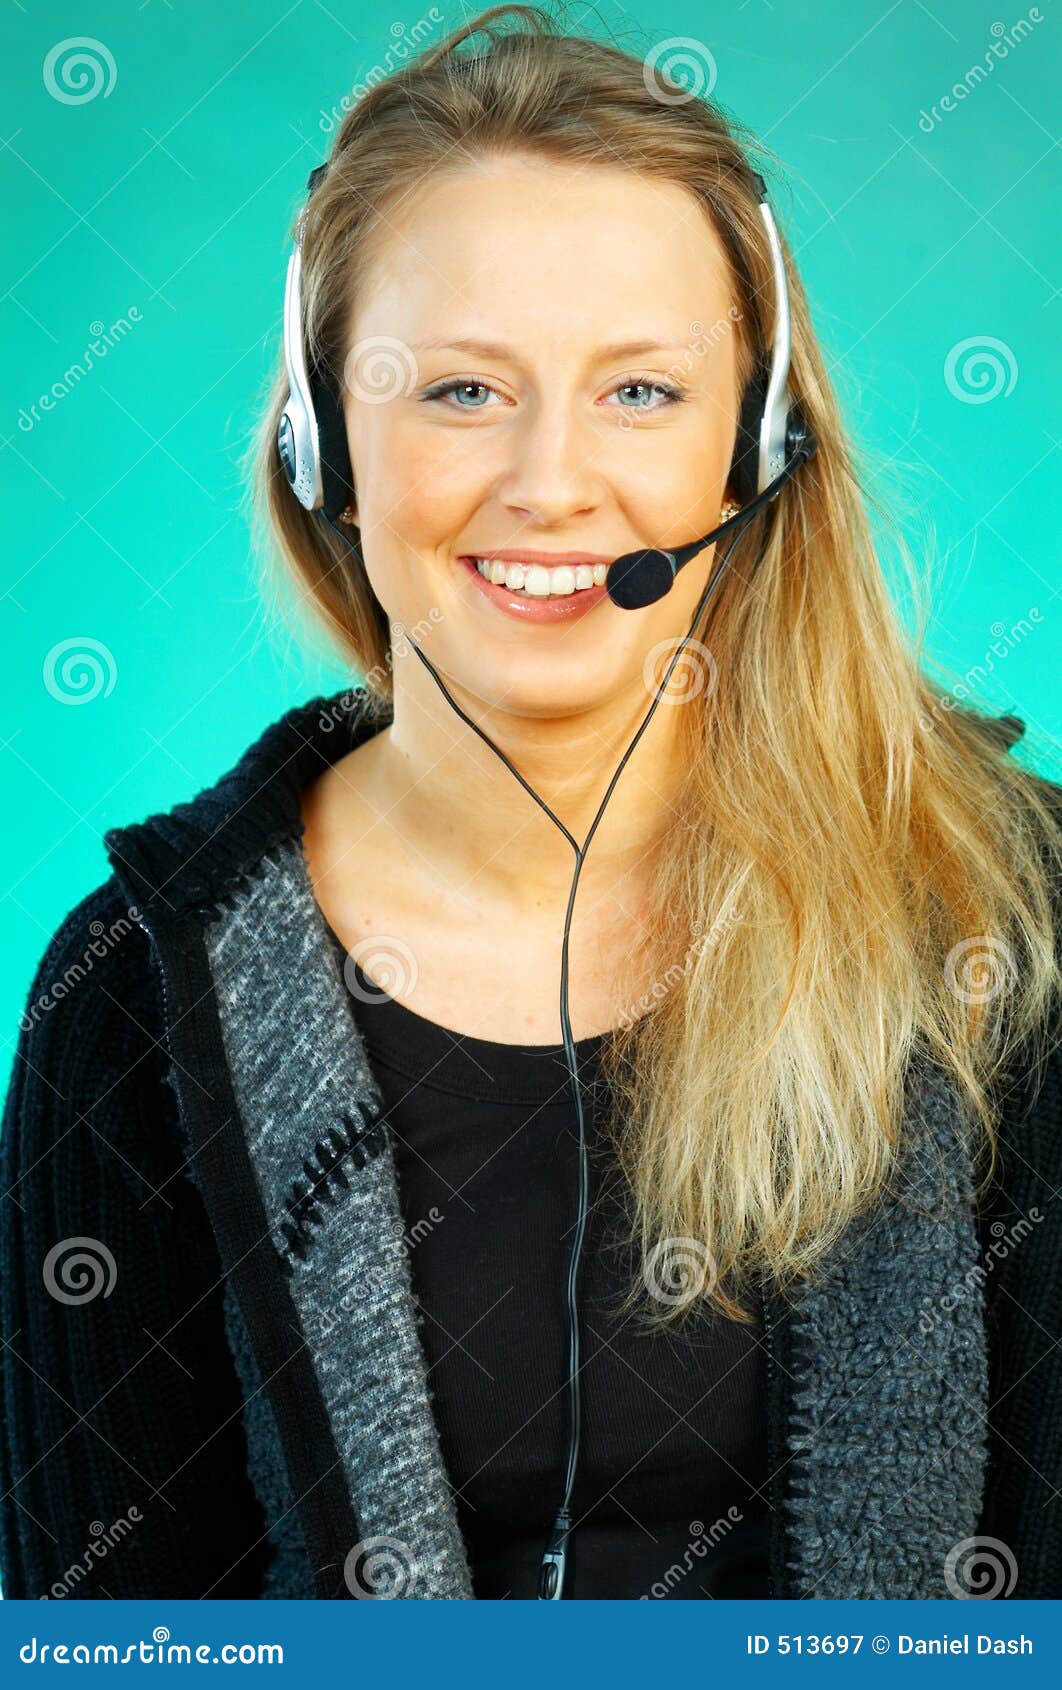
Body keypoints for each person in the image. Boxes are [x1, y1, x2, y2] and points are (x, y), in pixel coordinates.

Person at [2, 4, 1060, 1602]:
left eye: (638, 390)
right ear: (321, 442)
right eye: (458, 391)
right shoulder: (131, 994)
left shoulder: (1005, 916)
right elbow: (111, 1645)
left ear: (756, 441)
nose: (550, 484)